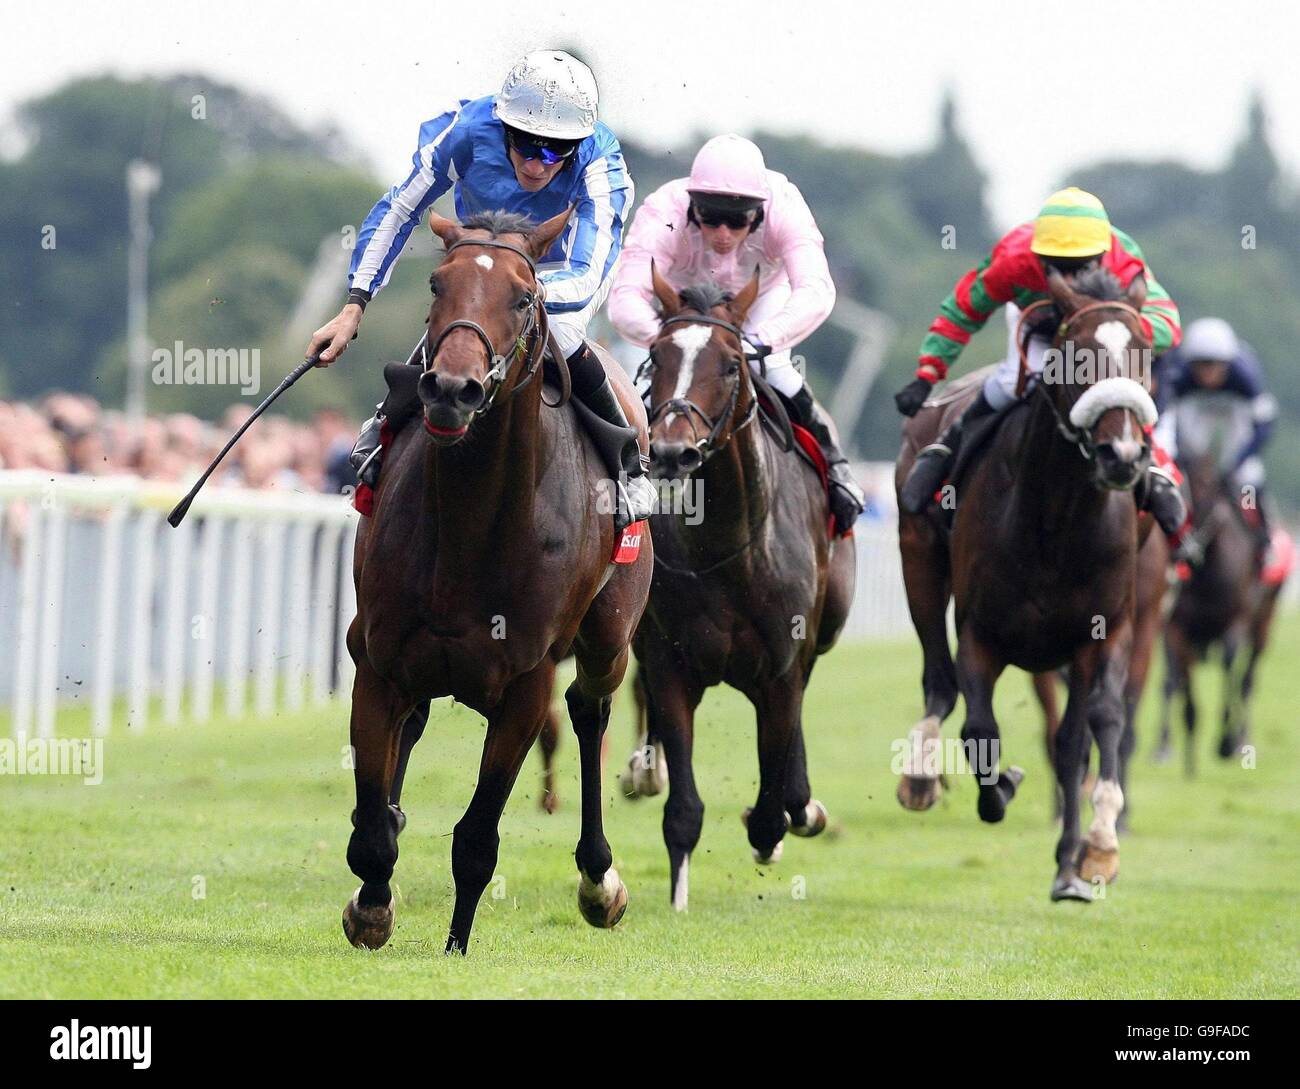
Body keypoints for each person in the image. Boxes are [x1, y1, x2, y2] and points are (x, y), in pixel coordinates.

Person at [306, 49, 655, 526]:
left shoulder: (601, 166)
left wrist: (512, 292)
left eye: (555, 151)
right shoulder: (467, 131)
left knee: (561, 333)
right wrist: (354, 305)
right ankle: (383, 427)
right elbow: (400, 209)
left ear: (578, 144)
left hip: (559, 269)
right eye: (525, 144)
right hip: (480, 261)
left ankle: (626, 460)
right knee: (460, 320)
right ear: (503, 126)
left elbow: (586, 271)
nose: (537, 164)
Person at [893, 187, 1192, 554]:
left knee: (1115, 386)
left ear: (1103, 253)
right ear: (1038, 253)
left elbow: (1167, 322)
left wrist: (1107, 334)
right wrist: (928, 372)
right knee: (1011, 383)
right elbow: (964, 308)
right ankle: (945, 451)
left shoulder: (1124, 258)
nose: (1070, 277)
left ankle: (1155, 470)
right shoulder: (1013, 258)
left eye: (1081, 265)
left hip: (1098, 338)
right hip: (1037, 325)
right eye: (1059, 265)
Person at [607, 134, 865, 534]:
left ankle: (836, 467)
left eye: (737, 219)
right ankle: (614, 485)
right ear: (692, 206)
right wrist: (670, 342)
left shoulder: (785, 207)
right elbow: (625, 296)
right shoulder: (665, 211)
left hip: (758, 301)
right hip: (682, 310)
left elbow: (816, 290)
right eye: (710, 217)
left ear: (759, 212)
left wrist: (762, 341)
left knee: (775, 368)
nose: (723, 233)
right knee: (640, 382)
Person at [1156, 316, 1277, 551]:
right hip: (1195, 408)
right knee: (1184, 466)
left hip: (1235, 411)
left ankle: (1259, 530)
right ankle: (1178, 529)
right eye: (1201, 365)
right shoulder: (1180, 375)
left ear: (1227, 363)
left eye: (1214, 365)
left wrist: (1239, 460)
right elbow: (1169, 419)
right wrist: (1181, 457)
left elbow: (1263, 425)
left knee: (1247, 477)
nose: (1208, 373)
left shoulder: (1245, 375)